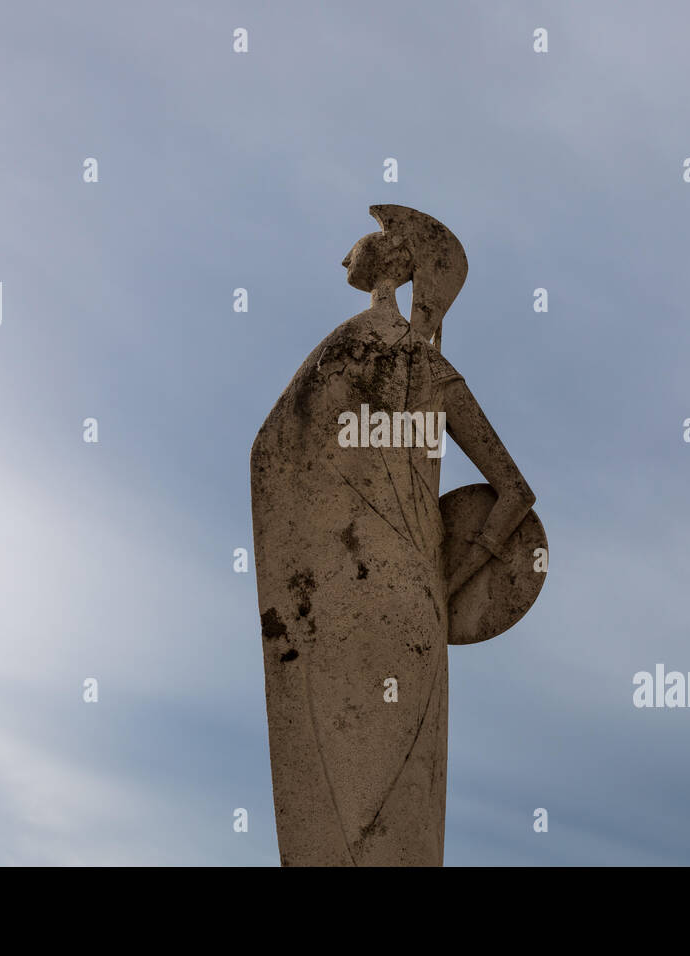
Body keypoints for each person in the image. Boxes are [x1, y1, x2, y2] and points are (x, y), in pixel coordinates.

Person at [250, 205, 535, 865]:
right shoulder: (434, 372)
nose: (344, 257)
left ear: (390, 259)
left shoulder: (343, 353)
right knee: (403, 811)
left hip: (342, 594)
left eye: (367, 240)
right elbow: (515, 493)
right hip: (415, 602)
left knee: (342, 799)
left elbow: (271, 457)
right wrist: (455, 579)